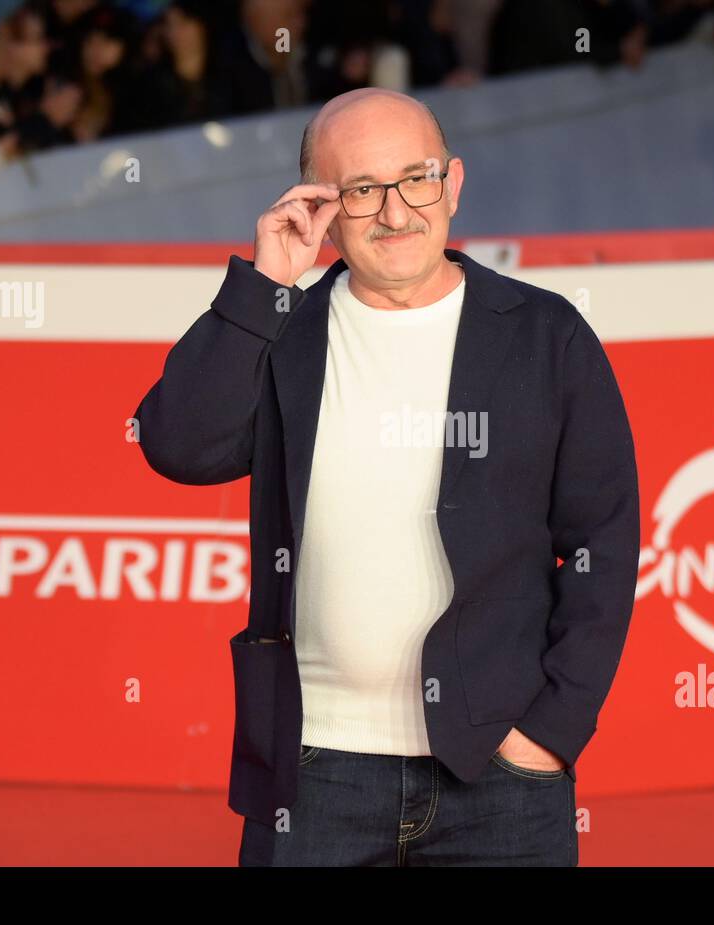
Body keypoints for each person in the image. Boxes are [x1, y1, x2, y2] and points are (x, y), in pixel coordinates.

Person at [132, 87, 640, 866]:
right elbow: (178, 445)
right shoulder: (284, 334)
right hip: (311, 776)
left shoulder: (547, 336)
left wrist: (550, 733)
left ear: (454, 184)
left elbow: (603, 543)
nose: (397, 212)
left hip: (501, 782)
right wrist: (265, 285)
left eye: (417, 178)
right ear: (321, 207)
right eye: (363, 190)